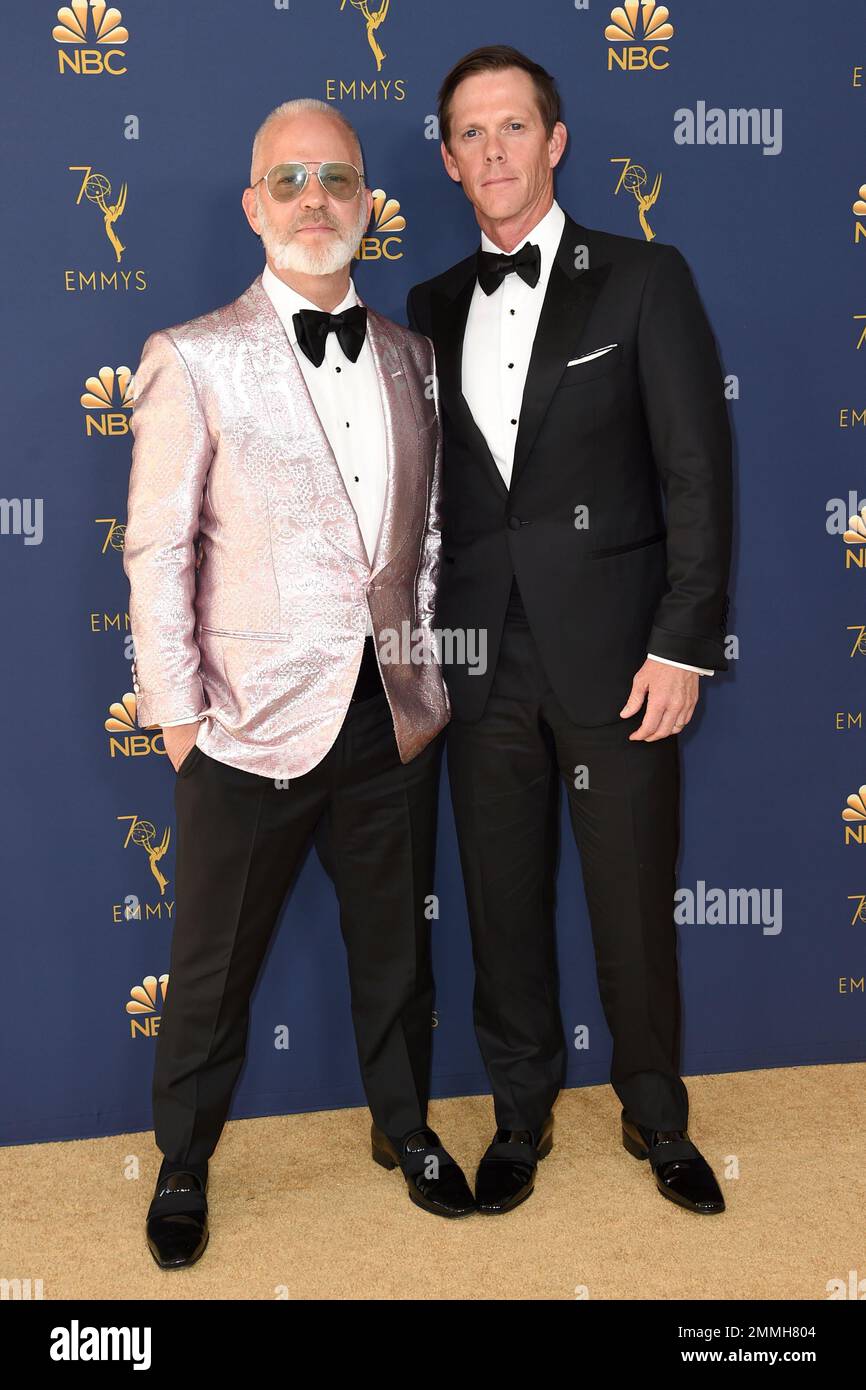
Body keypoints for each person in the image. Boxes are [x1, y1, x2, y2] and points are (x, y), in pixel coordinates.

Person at [125, 98, 476, 1270]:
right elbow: (157, 550)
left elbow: (418, 540)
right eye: (289, 180)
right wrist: (182, 721)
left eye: (336, 179)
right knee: (212, 965)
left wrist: (417, 680)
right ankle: (183, 1159)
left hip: (388, 717)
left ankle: (403, 1127)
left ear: (369, 204)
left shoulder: (412, 354)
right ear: (252, 205)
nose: (314, 199)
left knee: (395, 949)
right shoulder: (193, 356)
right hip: (242, 728)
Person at [408, 47, 733, 1216]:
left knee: (634, 901)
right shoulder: (428, 306)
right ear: (446, 162)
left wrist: (682, 641)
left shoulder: (643, 278)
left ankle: (655, 1116)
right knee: (500, 903)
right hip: (480, 659)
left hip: (619, 656)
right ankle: (518, 1117)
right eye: (468, 134)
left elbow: (695, 471)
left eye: (511, 127)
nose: (490, 151)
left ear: (554, 141)